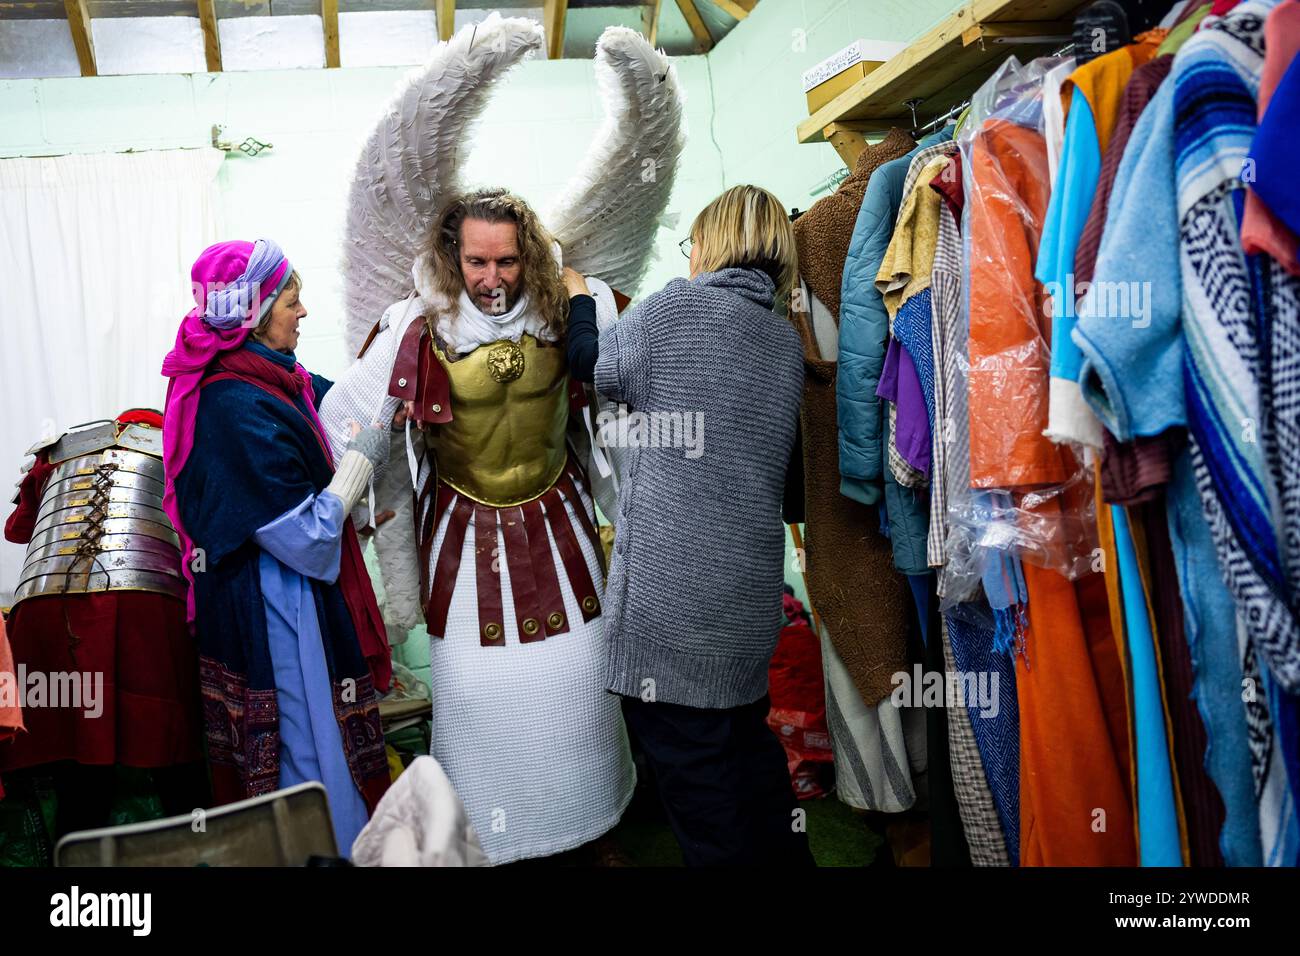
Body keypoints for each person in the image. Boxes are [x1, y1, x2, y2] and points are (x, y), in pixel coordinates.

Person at [318, 189, 635, 865]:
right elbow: (340, 418)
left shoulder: (578, 311)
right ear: (451, 254)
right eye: (478, 262)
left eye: (509, 262)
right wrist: (356, 477)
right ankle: (491, 844)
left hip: (566, 531)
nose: (493, 279)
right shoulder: (412, 326)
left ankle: (591, 828)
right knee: (481, 701)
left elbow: (628, 394)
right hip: (459, 546)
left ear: (531, 254)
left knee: (581, 690)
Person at [566, 184, 815, 866]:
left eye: (694, 242)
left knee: (705, 805)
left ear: (714, 244)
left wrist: (578, 294)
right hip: (746, 601)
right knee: (749, 767)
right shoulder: (781, 339)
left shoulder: (678, 309)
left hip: (676, 607)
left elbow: (591, 364)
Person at [162, 239, 392, 855]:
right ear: (256, 311)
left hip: (279, 592)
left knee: (315, 736)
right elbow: (306, 537)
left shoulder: (278, 381)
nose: (304, 312)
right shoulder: (234, 405)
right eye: (292, 301)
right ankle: (327, 853)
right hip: (272, 606)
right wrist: (357, 472)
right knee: (307, 741)